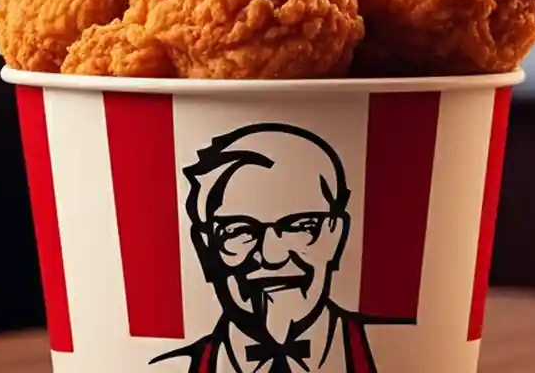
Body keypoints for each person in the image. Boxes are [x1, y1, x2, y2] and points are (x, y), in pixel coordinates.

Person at [153, 123, 378, 373]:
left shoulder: (395, 347)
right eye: (238, 230)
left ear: (335, 235)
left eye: (301, 226)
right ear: (205, 247)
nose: (273, 255)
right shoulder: (170, 367)